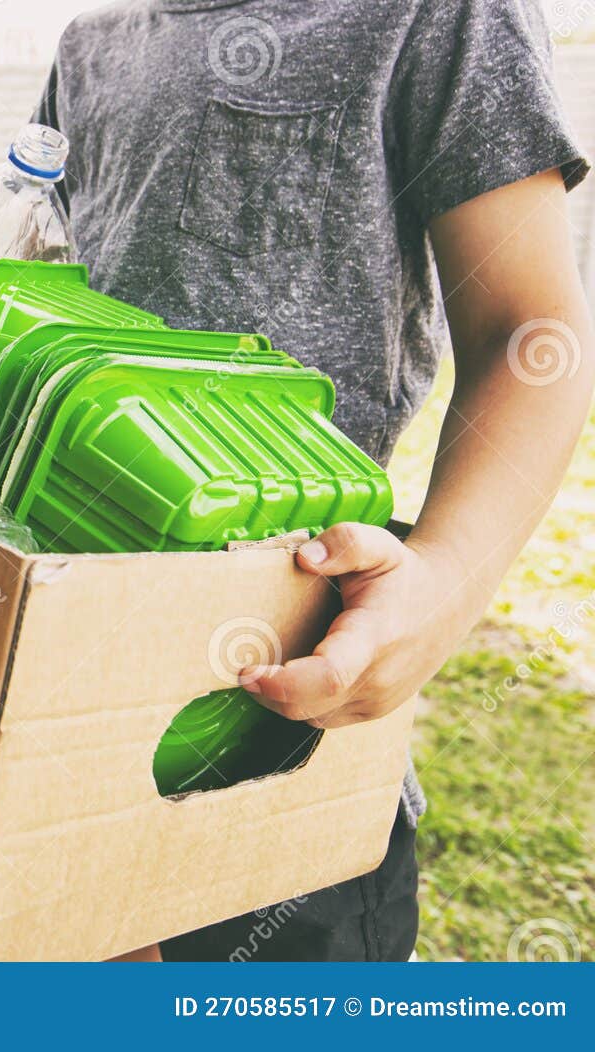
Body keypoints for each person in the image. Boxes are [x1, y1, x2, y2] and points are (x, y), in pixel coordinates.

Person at [34, 0, 593, 960]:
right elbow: (56, 285)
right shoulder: (90, 43)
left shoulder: (442, 12)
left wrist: (443, 587)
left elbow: (530, 337)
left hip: (286, 738)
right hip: (72, 729)